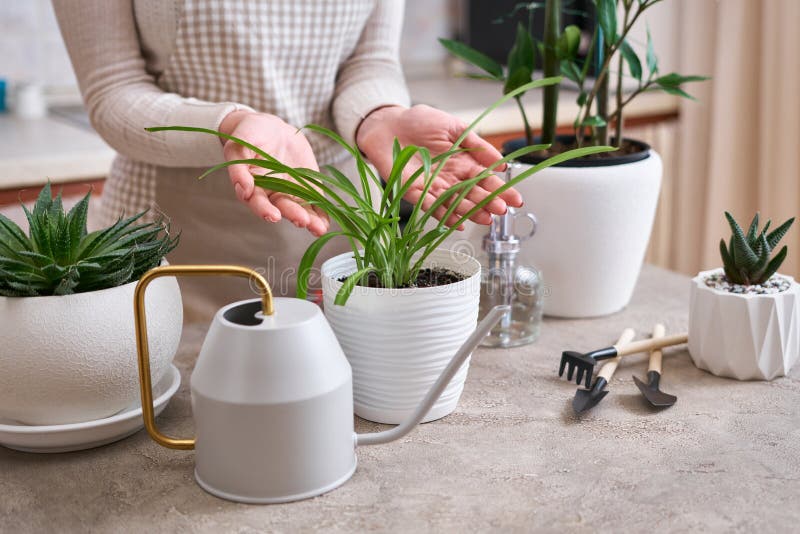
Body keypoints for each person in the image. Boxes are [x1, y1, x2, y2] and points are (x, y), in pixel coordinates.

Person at [53, 0, 521, 319]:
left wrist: (379, 117)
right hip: (177, 245)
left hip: (346, 228)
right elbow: (114, 90)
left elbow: (369, 62)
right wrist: (229, 124)